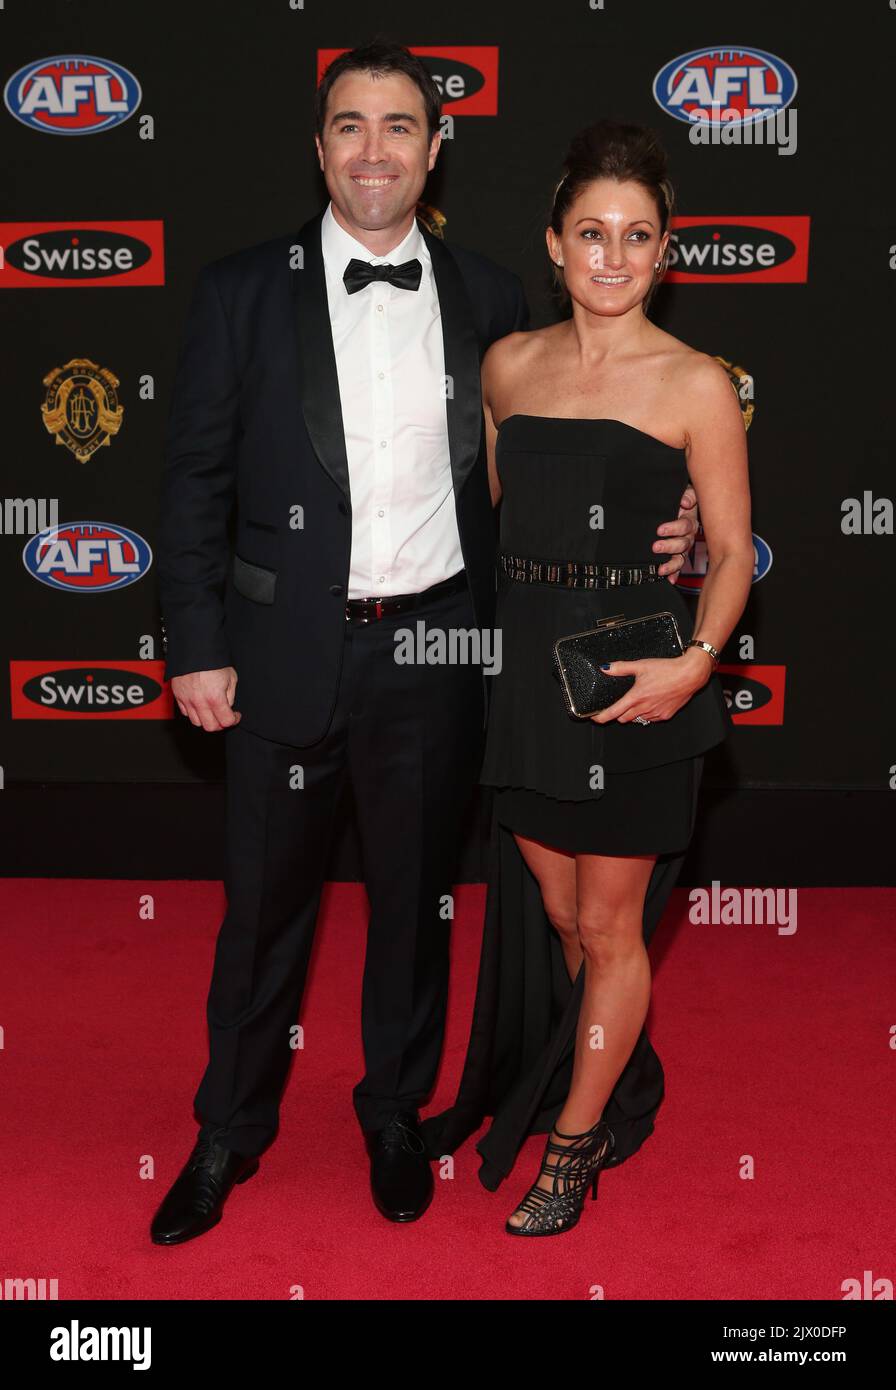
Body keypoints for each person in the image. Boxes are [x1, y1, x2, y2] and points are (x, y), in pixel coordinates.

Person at [151, 46, 697, 1245]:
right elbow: (190, 479)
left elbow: (582, 446)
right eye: (350, 126)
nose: (374, 150)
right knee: (261, 919)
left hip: (444, 656)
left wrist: (684, 510)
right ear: (319, 147)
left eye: (399, 126)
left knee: (411, 909)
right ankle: (226, 1134)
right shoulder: (243, 291)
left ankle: (392, 1113)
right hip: (279, 655)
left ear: (434, 148)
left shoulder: (493, 298)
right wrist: (192, 640)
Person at [421, 119, 753, 1236]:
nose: (611, 256)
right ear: (554, 244)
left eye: (636, 236)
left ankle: (571, 1146)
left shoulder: (695, 382)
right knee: (563, 916)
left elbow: (734, 550)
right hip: (525, 677)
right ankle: (622, 1076)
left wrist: (691, 663)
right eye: (590, 234)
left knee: (610, 930)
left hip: (635, 676)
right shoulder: (506, 366)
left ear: (666, 254)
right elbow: (500, 520)